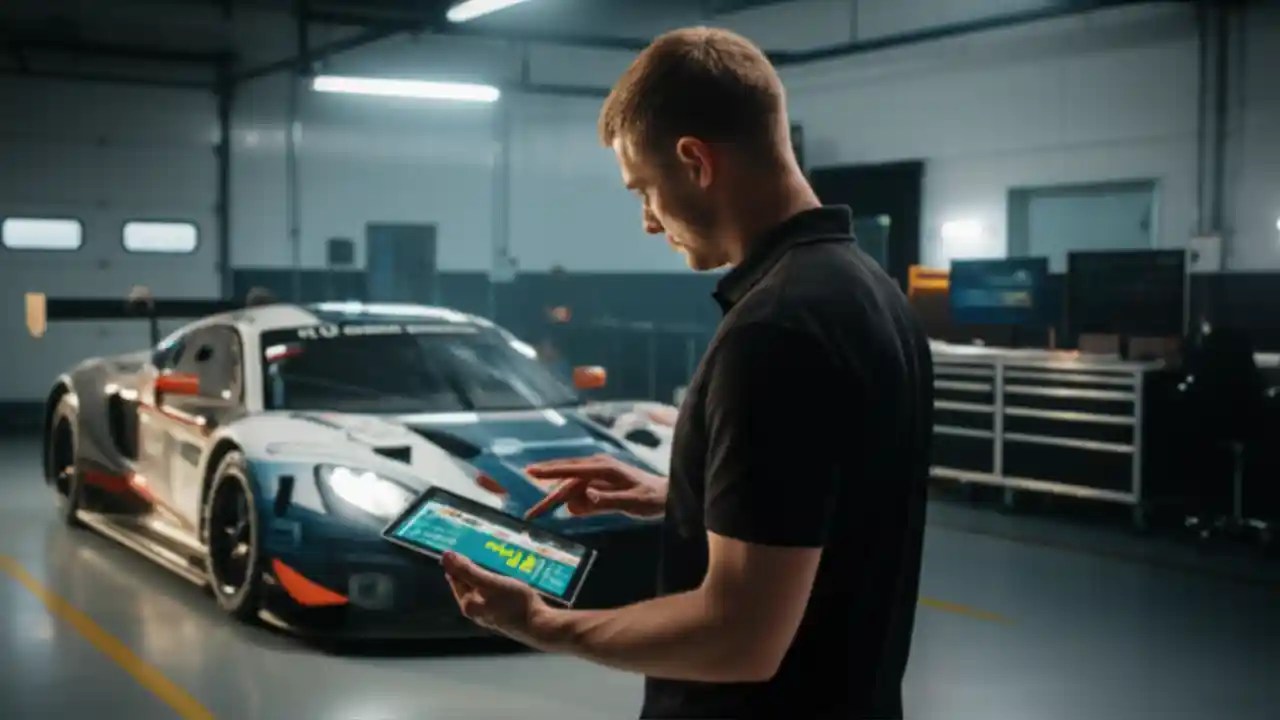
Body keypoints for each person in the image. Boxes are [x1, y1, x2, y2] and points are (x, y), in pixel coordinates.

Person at [440, 26, 934, 719]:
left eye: (644, 189)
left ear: (696, 161)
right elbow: (832, 506)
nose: (648, 221)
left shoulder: (774, 330)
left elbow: (739, 637)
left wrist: (542, 624)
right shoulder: (871, 293)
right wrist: (680, 493)